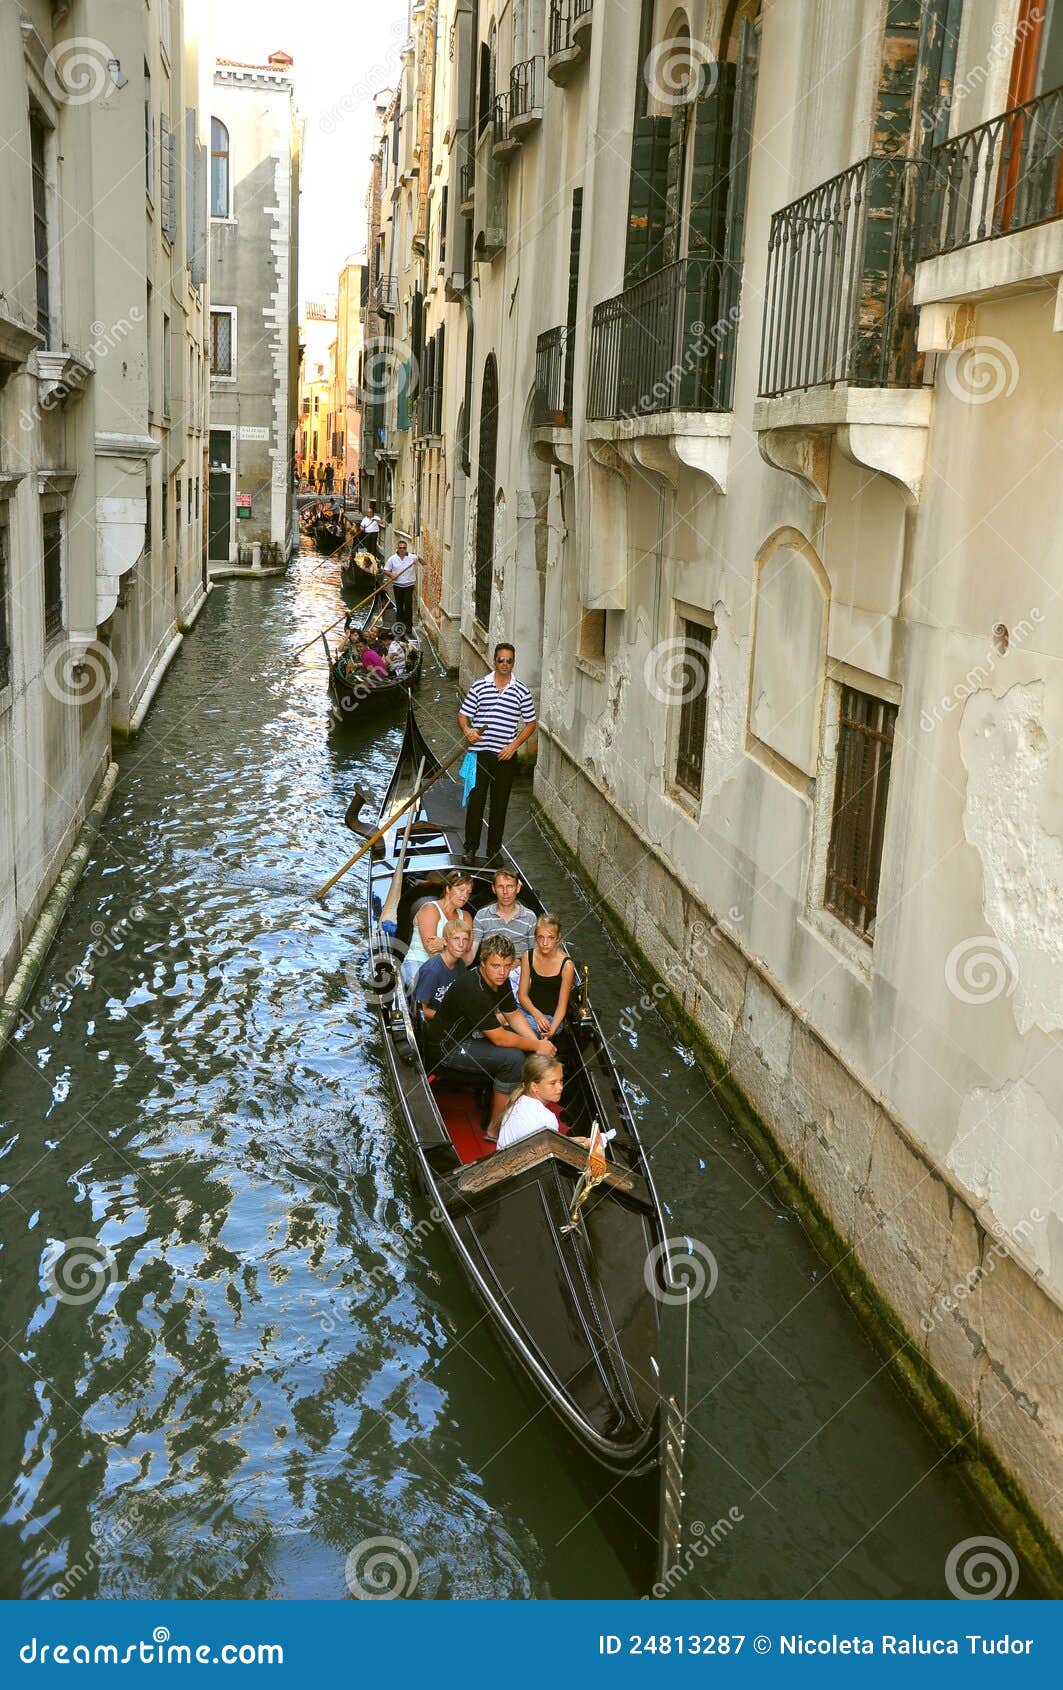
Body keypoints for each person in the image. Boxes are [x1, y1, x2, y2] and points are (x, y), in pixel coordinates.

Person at [426, 936, 557, 1139]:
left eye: (506, 966)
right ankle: (494, 1130)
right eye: (496, 966)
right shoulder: (474, 989)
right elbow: (499, 1039)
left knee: (523, 1046)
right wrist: (536, 1046)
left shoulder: (499, 980)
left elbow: (513, 1015)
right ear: (483, 963)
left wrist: (539, 1044)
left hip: (469, 1038)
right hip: (447, 1047)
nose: (502, 972)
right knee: (513, 1059)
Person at [459, 644, 536, 863]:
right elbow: (463, 715)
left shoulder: (521, 690)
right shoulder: (479, 686)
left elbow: (531, 724)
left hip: (505, 757)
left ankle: (493, 850)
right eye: (501, 660)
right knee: (476, 803)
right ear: (494, 661)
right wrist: (467, 730)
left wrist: (514, 746)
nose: (505, 664)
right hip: (480, 754)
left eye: (509, 661)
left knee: (500, 805)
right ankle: (471, 848)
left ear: (513, 663)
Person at [495, 1055, 590, 1151]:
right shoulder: (546, 1119)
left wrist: (568, 1141)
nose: (560, 1087)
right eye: (553, 1083)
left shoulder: (518, 1101)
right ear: (534, 1087)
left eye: (560, 1080)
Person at [402, 870, 474, 984]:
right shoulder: (430, 909)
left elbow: (466, 949)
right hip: (418, 963)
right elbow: (431, 949)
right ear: (448, 889)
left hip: (452, 968)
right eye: (461, 890)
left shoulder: (466, 916)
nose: (465, 896)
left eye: (468, 893)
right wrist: (454, 947)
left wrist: (443, 943)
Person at [517, 914, 576, 1040]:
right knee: (502, 1018)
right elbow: (522, 995)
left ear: (558, 937)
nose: (545, 943)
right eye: (540, 937)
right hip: (528, 1009)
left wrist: (552, 1031)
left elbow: (561, 1006)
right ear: (535, 937)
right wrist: (536, 1014)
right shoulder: (528, 956)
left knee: (516, 1027)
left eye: (550, 938)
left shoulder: (567, 966)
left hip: (550, 1019)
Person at [471, 868, 537, 960]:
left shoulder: (530, 917)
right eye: (500, 887)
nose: (505, 892)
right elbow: (472, 952)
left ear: (517, 888)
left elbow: (534, 953)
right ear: (494, 889)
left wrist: (520, 962)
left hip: (520, 968)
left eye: (509, 886)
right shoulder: (481, 916)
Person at [412, 921, 471, 1018]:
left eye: (465, 939)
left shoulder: (460, 964)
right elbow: (418, 1010)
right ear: (444, 941)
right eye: (456, 939)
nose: (461, 944)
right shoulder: (432, 970)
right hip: (433, 1023)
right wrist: (451, 1016)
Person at [382, 538, 418, 635]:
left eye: (404, 548)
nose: (402, 549)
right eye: (400, 548)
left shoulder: (412, 557)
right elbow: (385, 570)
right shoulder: (392, 559)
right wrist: (391, 575)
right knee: (399, 606)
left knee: (408, 605)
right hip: (397, 585)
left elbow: (424, 563)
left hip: (409, 585)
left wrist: (418, 559)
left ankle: (409, 627)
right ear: (397, 548)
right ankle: (399, 626)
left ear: (406, 548)